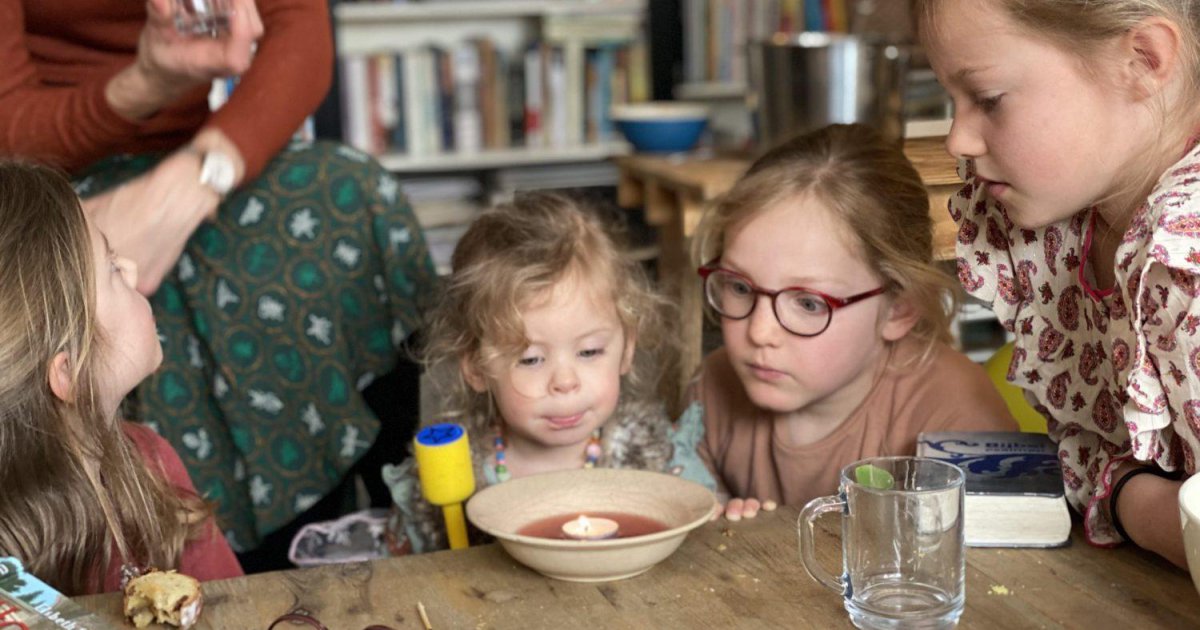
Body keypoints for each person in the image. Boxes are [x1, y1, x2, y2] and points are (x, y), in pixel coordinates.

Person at [0, 0, 439, 565]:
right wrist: (148, 81)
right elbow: (12, 133)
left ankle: (403, 520)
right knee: (101, 297)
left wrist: (199, 177)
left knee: (354, 192)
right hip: (47, 185)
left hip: (204, 151)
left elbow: (300, 30)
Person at [916, 0, 1200, 568]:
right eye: (952, 100)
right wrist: (1130, 495)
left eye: (988, 99)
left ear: (1143, 60)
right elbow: (1088, 457)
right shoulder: (1059, 223)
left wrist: (1131, 500)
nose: (957, 140)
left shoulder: (1186, 249)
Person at [669, 123, 1017, 520]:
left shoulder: (956, 418)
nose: (759, 332)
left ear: (899, 308)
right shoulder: (712, 389)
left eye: (809, 303)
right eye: (740, 287)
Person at [382, 192, 675, 553]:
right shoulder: (447, 479)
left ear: (626, 349)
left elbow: (705, 539)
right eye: (531, 359)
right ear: (476, 367)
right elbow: (400, 574)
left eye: (589, 351)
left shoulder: (655, 456)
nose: (565, 382)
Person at [0, 161, 243, 594]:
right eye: (111, 266)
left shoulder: (150, 461)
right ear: (70, 371)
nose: (131, 269)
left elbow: (234, 607)